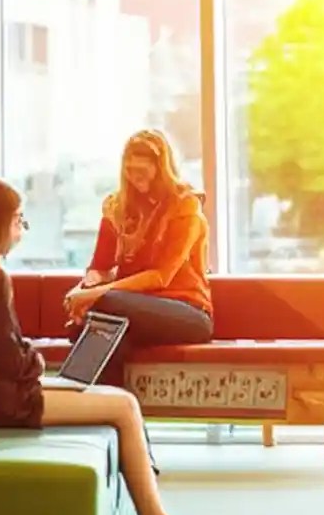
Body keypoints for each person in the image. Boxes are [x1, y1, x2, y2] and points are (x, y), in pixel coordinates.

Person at [0, 177, 214, 515]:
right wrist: (37, 363)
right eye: (18, 221)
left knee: (96, 392)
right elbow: (9, 360)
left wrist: (28, 360)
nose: (21, 229)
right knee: (125, 405)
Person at [64, 130, 214, 388]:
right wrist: (82, 289)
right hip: (132, 311)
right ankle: (110, 414)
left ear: (161, 169)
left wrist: (95, 296)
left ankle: (89, 406)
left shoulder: (184, 205)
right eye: (130, 171)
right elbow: (99, 267)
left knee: (102, 312)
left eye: (142, 172)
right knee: (94, 331)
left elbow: (161, 276)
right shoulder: (116, 206)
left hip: (187, 311)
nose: (135, 179)